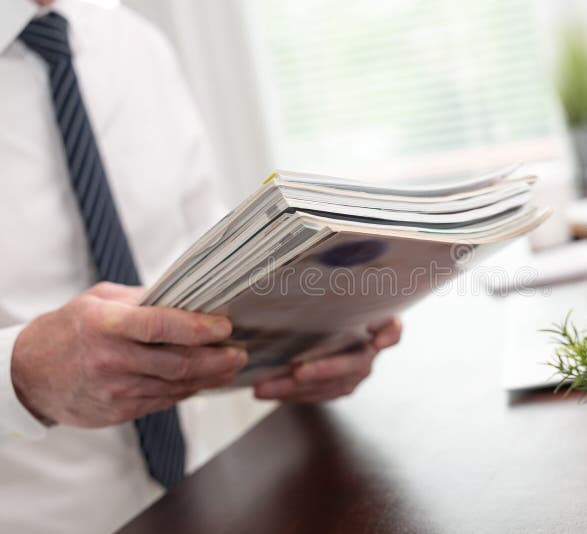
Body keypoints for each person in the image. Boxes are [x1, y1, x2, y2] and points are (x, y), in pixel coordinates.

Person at [0, 0, 402, 532]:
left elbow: (202, 264)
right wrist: (22, 376)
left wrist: (309, 333)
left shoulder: (135, 45)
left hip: (199, 501)